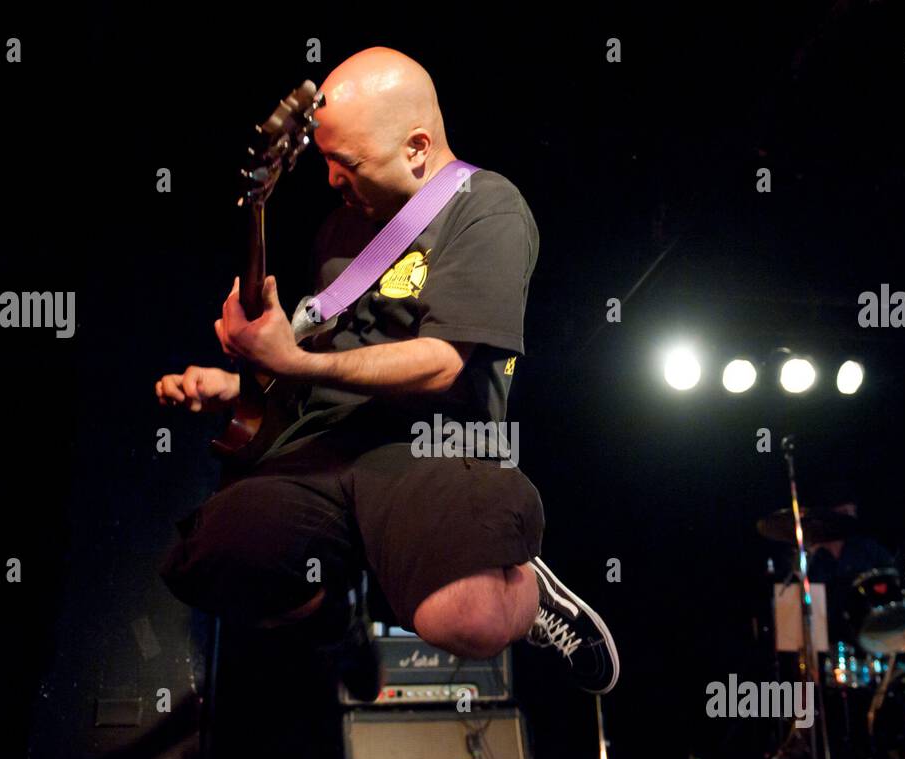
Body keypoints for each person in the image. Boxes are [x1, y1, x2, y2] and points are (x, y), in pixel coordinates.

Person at [154, 48, 618, 697]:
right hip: (323, 451)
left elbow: (442, 362)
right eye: (323, 162)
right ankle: (339, 619)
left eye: (347, 164)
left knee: (465, 615)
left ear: (417, 148)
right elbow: (326, 376)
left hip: (430, 446)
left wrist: (292, 357)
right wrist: (241, 384)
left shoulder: (488, 206)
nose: (332, 180)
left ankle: (532, 596)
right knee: (218, 557)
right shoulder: (341, 231)